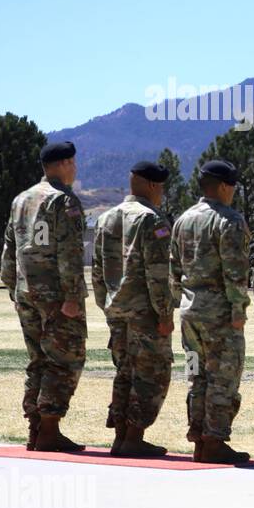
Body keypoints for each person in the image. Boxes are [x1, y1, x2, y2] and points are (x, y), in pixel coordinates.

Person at [1, 141, 88, 452]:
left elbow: (9, 250)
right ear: (63, 164)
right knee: (65, 359)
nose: (75, 169)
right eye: (73, 163)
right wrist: (74, 296)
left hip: (27, 292)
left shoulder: (21, 200)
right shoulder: (63, 200)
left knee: (38, 359)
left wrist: (14, 287)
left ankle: (35, 427)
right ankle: (49, 428)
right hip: (55, 295)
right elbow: (70, 252)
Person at [169, 160, 252, 463]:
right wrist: (239, 309)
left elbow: (174, 269)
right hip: (219, 314)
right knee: (223, 377)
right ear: (224, 187)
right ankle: (214, 439)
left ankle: (198, 438)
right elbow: (235, 272)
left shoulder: (183, 220)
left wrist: (177, 303)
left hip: (189, 314)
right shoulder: (228, 221)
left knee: (196, 375)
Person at [91, 160, 175, 456]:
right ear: (153, 186)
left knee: (124, 371)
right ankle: (134, 436)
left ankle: (121, 436)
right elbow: (158, 273)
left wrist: (106, 304)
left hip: (117, 309)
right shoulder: (152, 220)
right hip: (145, 312)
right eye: (161, 187)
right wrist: (165, 313)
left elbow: (97, 270)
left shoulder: (106, 218)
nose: (162, 193)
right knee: (151, 373)